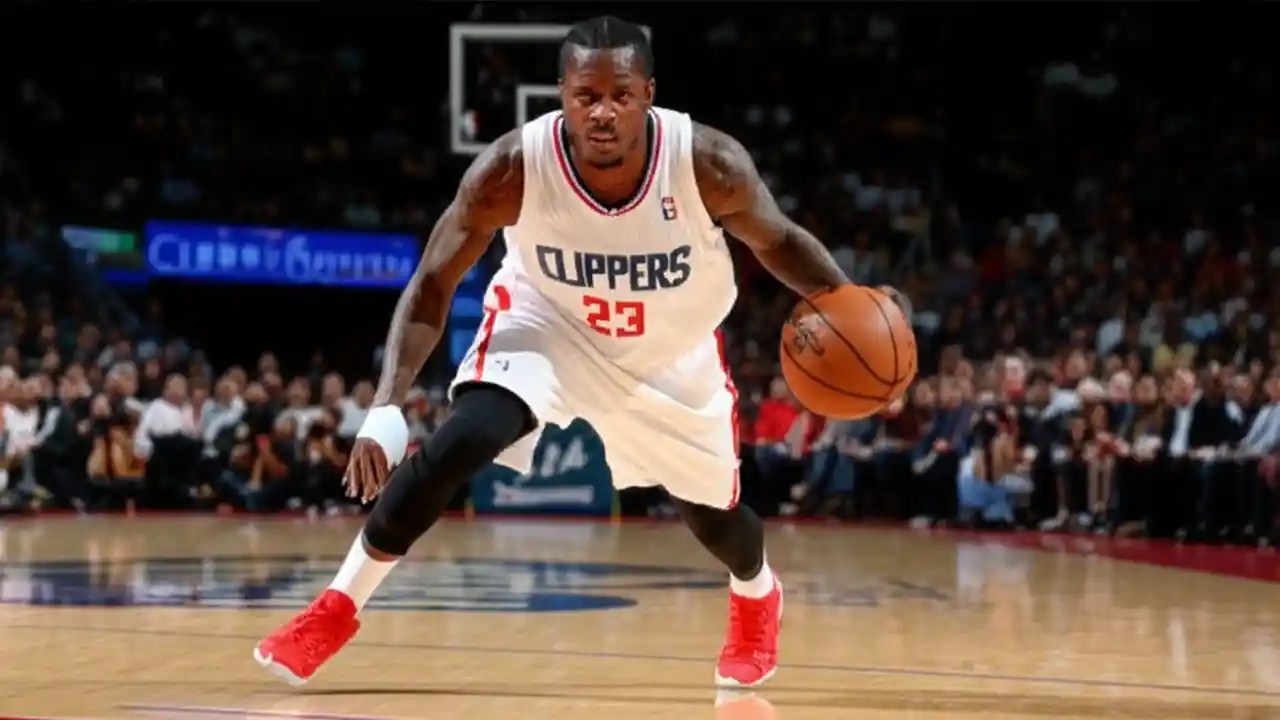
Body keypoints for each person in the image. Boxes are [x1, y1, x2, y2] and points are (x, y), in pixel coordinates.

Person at [253, 16, 910, 690]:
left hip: (669, 351)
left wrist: (849, 301)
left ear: (648, 93)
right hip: (550, 325)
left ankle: (756, 591)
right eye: (585, 96)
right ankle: (335, 608)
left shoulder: (708, 164)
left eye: (620, 95)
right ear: (561, 95)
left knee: (714, 520)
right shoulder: (511, 169)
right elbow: (433, 283)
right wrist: (387, 404)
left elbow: (780, 241)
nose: (602, 112)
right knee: (463, 439)